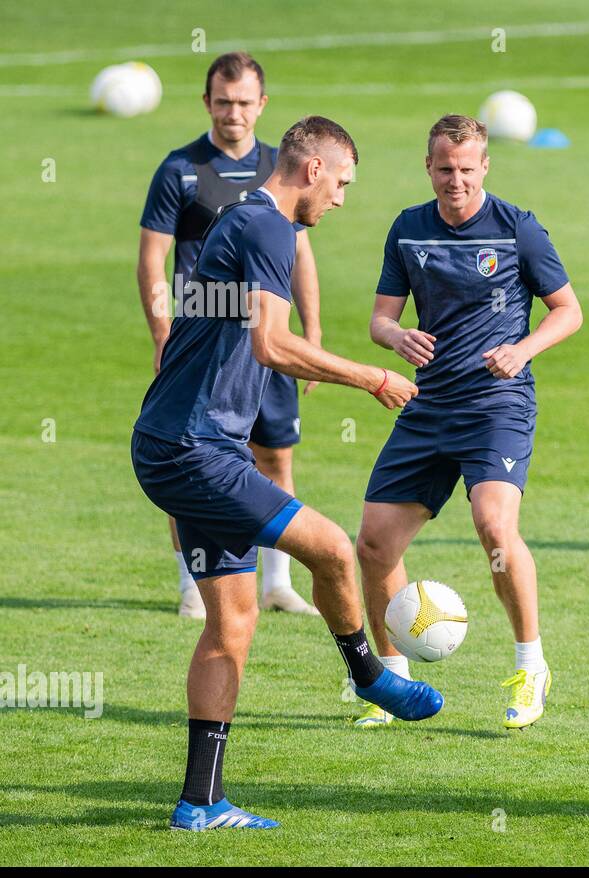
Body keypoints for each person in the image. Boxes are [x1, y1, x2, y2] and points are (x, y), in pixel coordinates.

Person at [132, 116, 442, 830]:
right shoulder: (266, 225)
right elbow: (273, 346)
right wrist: (371, 377)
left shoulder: (254, 225)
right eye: (341, 183)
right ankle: (370, 675)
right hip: (191, 449)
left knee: (232, 627)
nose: (341, 198)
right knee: (333, 548)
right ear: (312, 170)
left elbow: (250, 332)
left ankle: (199, 803)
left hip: (187, 446)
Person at [354, 114, 582, 729]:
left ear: (485, 166)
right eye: (444, 168)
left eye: (466, 168)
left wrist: (523, 349)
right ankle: (393, 682)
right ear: (428, 167)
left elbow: (568, 311)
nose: (455, 179)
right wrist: (396, 336)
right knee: (374, 544)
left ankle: (530, 666)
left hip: (495, 406)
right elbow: (379, 318)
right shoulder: (408, 229)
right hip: (426, 406)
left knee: (494, 529)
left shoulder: (517, 229)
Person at [138, 51, 320, 617]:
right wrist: (162, 330)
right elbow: (153, 259)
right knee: (195, 450)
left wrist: (311, 328)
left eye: (244, 102)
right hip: (204, 340)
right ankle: (194, 584)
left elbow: (300, 254)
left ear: (261, 104)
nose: (233, 113)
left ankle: (277, 584)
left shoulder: (278, 168)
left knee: (275, 456)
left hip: (267, 337)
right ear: (207, 103)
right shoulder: (180, 169)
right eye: (223, 102)